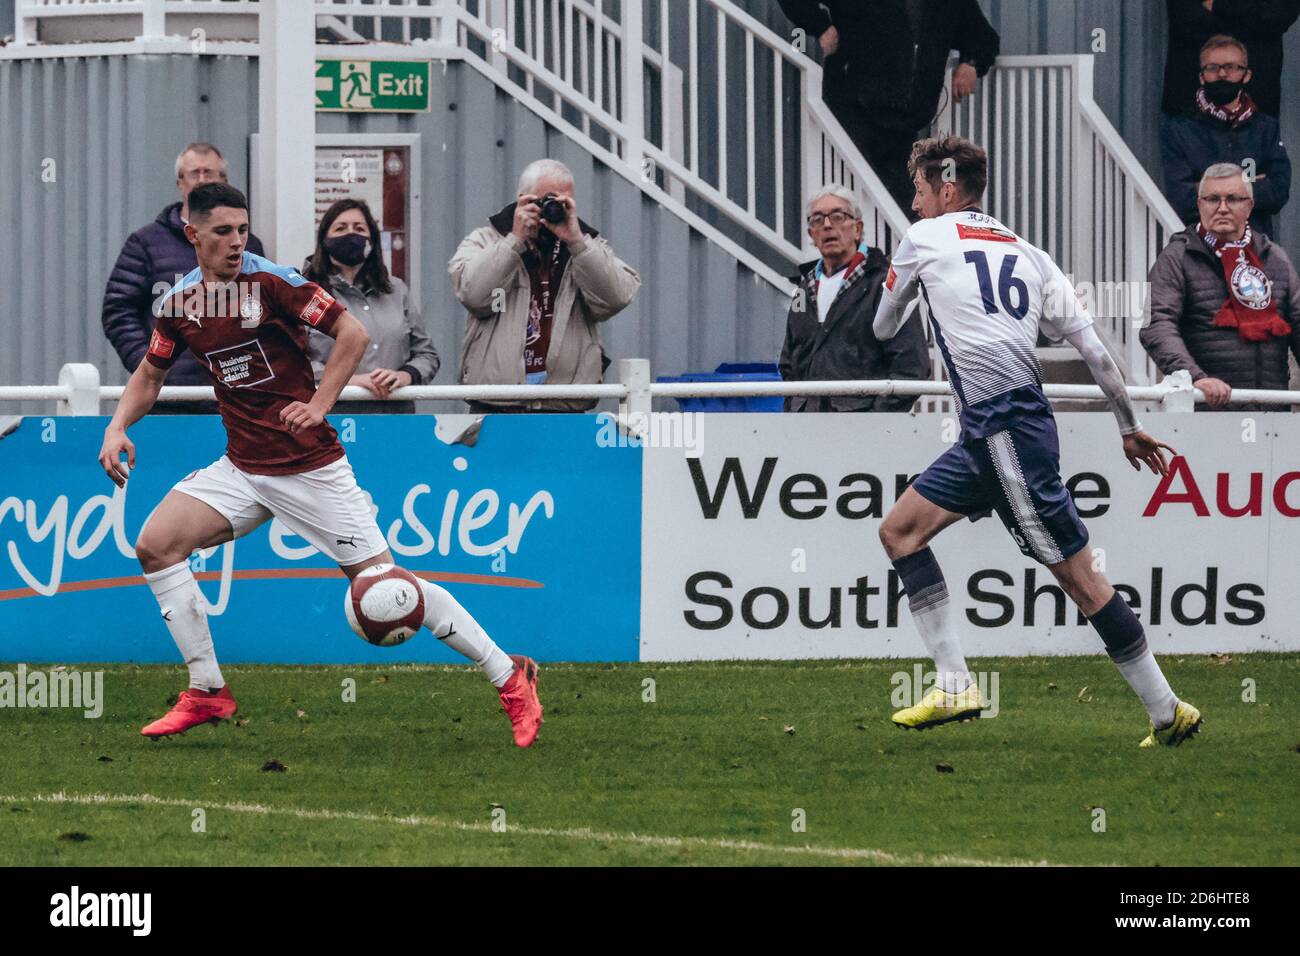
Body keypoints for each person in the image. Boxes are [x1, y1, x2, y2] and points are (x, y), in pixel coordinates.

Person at [95, 183, 543, 748]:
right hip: (243, 468)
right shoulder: (181, 304)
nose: (236, 242)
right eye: (222, 232)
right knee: (155, 546)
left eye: (242, 230)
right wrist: (117, 426)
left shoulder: (274, 283)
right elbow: (150, 374)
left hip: (310, 467)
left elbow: (352, 334)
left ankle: (510, 674)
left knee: (386, 587)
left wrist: (319, 404)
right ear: (193, 235)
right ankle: (207, 690)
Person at [872, 136, 1201, 748]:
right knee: (900, 532)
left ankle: (1167, 710)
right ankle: (954, 683)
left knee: (1079, 577)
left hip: (1004, 430)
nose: (914, 204)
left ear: (947, 188)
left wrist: (910, 286)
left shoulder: (924, 238)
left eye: (918, 190)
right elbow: (1095, 353)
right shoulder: (1031, 253)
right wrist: (1128, 426)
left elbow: (883, 326)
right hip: (994, 432)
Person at [449, 159, 640, 413]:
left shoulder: (585, 246)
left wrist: (577, 242)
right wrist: (514, 241)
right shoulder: (486, 240)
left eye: (563, 202)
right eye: (546, 201)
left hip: (564, 403)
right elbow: (474, 295)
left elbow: (616, 297)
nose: (553, 208)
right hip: (497, 403)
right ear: (522, 199)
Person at [776, 0, 999, 217]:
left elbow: (983, 37)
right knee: (850, 200)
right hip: (852, 112)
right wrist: (821, 28)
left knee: (905, 209)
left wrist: (971, 64)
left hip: (906, 124)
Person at [102, 143, 265, 412]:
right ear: (180, 182)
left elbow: (257, 316)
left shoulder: (249, 246)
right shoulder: (146, 243)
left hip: (232, 398)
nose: (201, 180)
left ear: (224, 181)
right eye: (194, 173)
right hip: (167, 399)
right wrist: (153, 366)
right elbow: (118, 312)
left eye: (209, 173)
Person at [1143, 163, 1300, 408]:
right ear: (1199, 204)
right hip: (1205, 410)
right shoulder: (1177, 258)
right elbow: (1157, 324)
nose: (1222, 208)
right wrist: (1195, 377)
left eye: (1233, 199)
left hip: (1270, 413)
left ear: (1249, 206)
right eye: (1212, 199)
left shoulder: (1274, 258)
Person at [780, 186, 930, 410]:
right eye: (817, 219)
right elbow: (789, 362)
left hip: (866, 425)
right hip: (805, 423)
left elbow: (911, 368)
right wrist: (795, 405)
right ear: (811, 235)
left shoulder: (885, 286)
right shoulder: (803, 290)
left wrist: (874, 417)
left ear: (857, 228)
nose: (827, 225)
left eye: (837, 216)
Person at [303, 198, 440, 414]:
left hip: (394, 417)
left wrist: (404, 375)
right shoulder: (307, 293)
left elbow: (427, 354)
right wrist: (353, 381)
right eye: (340, 228)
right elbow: (292, 362)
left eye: (359, 228)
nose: (351, 234)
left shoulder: (397, 290)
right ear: (324, 239)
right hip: (331, 418)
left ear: (372, 239)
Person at [1161, 35, 1291, 237]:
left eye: (1231, 67)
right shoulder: (1179, 130)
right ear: (1201, 77)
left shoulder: (1265, 128)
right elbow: (1182, 199)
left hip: (1254, 246)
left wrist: (1207, 190)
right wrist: (1248, 187)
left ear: (1246, 75)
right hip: (1200, 247)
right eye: (1212, 68)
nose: (1222, 74)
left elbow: (1279, 192)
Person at [1161, 0, 1300, 120]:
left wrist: (1219, 5)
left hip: (1256, 101)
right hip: (1191, 100)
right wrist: (1249, 18)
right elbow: (1186, 17)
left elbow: (1278, 14)